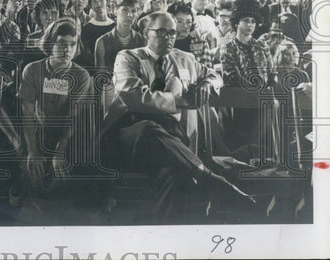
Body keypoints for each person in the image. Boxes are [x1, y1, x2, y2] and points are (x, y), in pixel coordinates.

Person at [101, 12, 254, 221]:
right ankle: (212, 179)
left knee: (173, 173)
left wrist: (206, 84)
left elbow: (214, 75)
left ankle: (164, 235)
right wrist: (179, 102)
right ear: (147, 33)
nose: (168, 37)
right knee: (148, 127)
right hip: (130, 138)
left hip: (171, 146)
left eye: (172, 32)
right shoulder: (128, 57)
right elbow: (133, 96)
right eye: (161, 32)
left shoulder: (186, 58)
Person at [20, 18, 95, 194]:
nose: (67, 49)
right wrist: (32, 151)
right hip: (38, 129)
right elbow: (27, 113)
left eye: (72, 44)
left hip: (68, 133)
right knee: (31, 175)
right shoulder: (32, 69)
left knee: (64, 180)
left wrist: (60, 152)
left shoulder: (81, 75)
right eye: (61, 43)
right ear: (50, 43)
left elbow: (73, 116)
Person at [220, 0, 277, 161]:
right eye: (245, 20)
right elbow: (231, 78)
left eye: (253, 21)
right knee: (268, 103)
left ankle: (252, 149)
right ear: (237, 23)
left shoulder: (261, 45)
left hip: (261, 95)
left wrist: (270, 82)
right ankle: (250, 150)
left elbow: (271, 71)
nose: (250, 25)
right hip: (238, 97)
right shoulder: (228, 48)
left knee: (271, 103)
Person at [78, 0, 115, 68]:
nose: (99, 4)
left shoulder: (116, 26)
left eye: (101, 0)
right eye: (94, 1)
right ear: (90, 5)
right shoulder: (85, 29)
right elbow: (86, 56)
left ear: (107, 2)